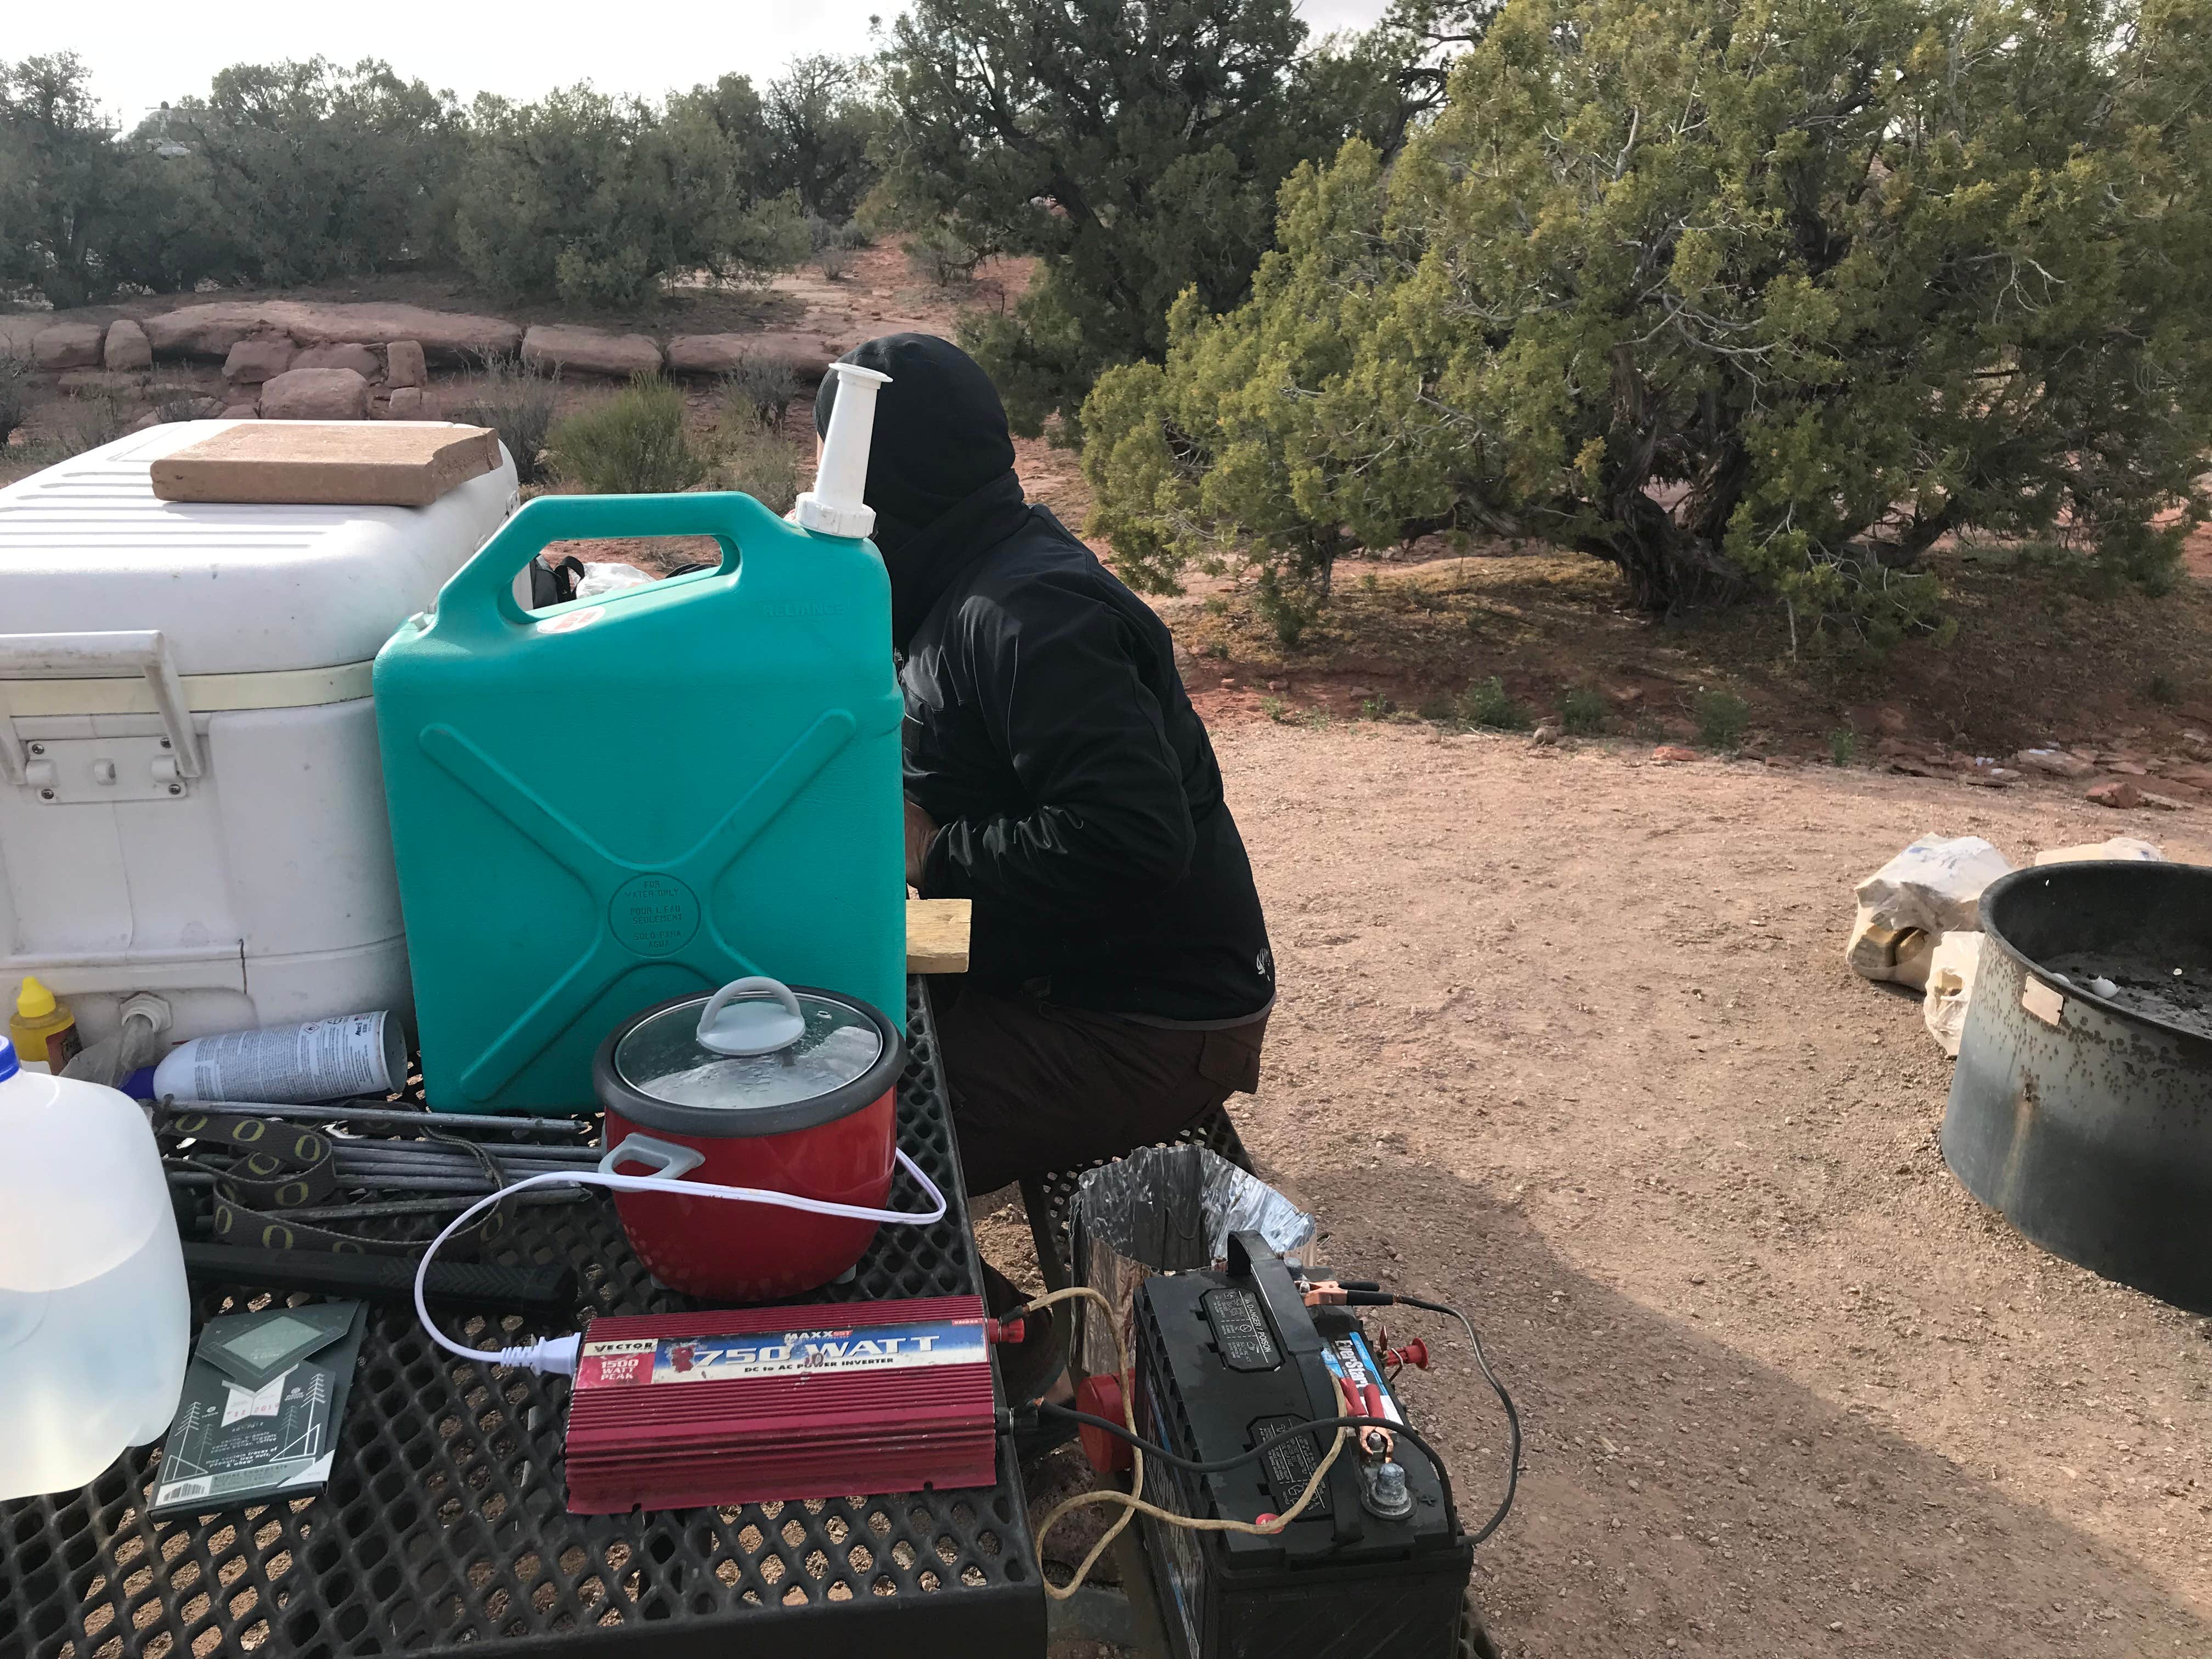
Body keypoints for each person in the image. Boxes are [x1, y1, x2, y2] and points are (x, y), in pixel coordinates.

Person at [813, 331, 1275, 1222]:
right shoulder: (963, 572)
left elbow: (1133, 838)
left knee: (832, 1139)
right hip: (1071, 966)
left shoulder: (1029, 614)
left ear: (884, 478)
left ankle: (1011, 1351)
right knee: (824, 1015)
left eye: (832, 472)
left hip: (1152, 1019)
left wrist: (933, 848)